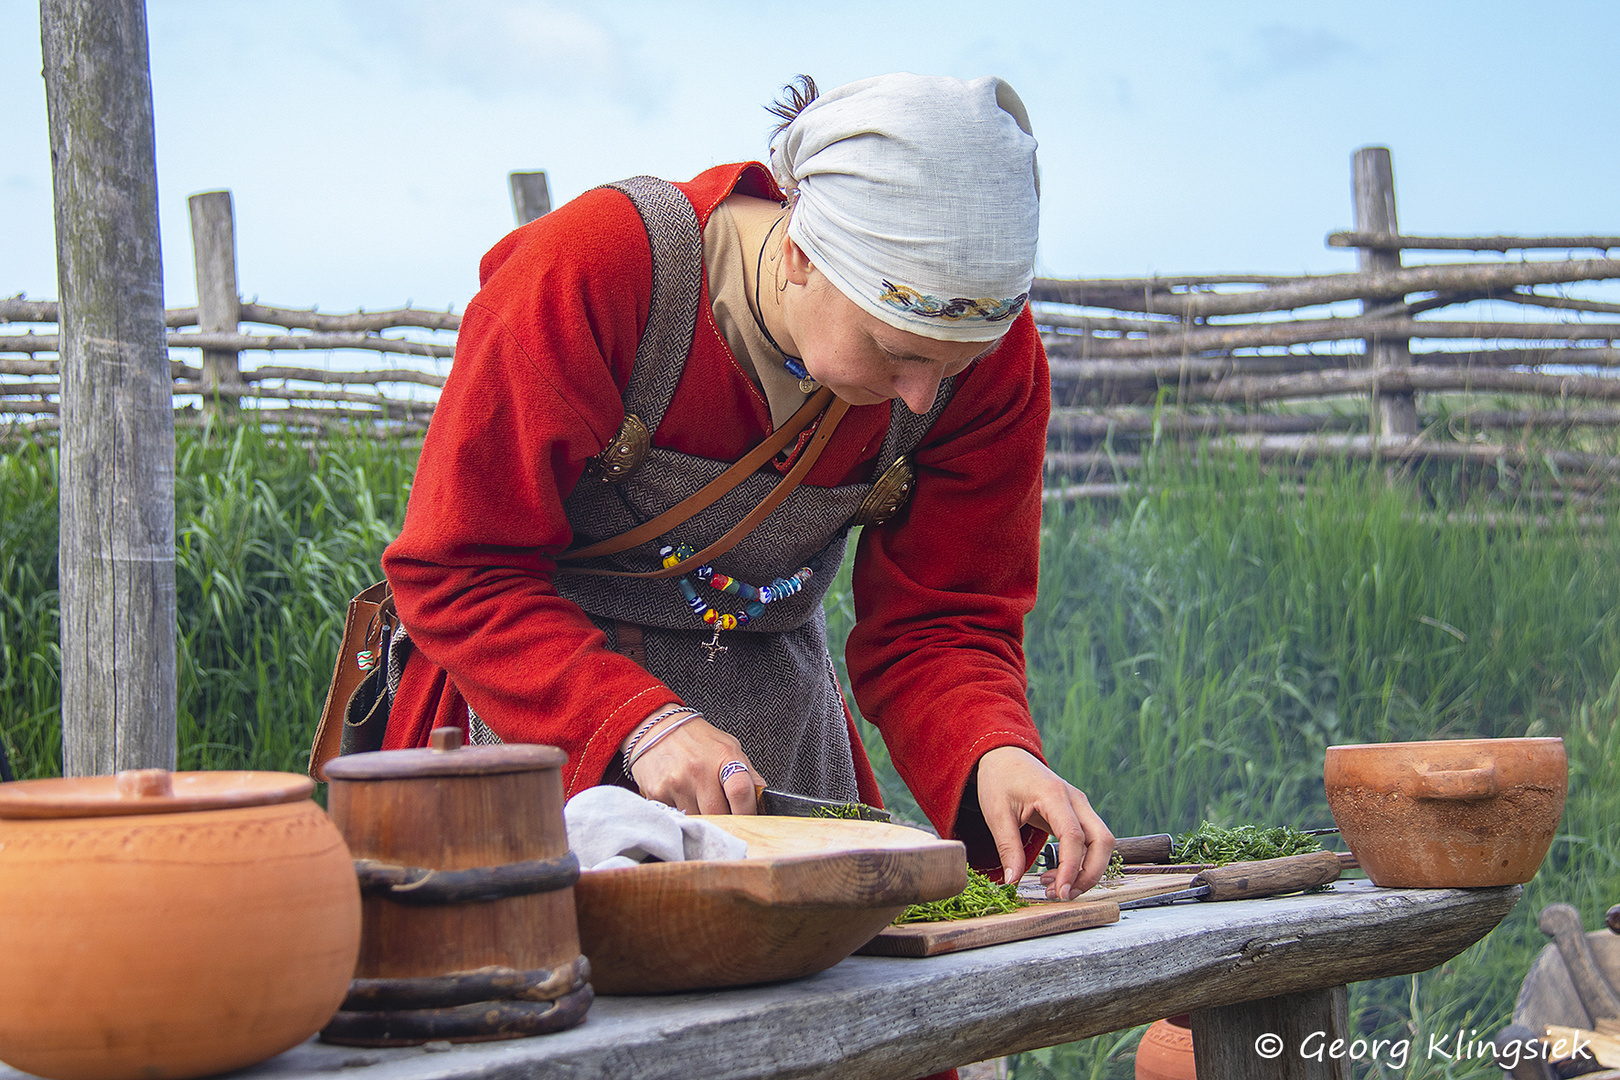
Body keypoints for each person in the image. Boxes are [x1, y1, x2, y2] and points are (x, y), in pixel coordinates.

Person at [379, 73, 1115, 906]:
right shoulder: (595, 270)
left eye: (951, 365)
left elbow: (943, 621)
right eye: (893, 351)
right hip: (529, 732)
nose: (921, 397)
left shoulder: (991, 363)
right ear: (800, 251)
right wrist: (635, 721)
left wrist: (994, 750)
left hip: (780, 741)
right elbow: (457, 570)